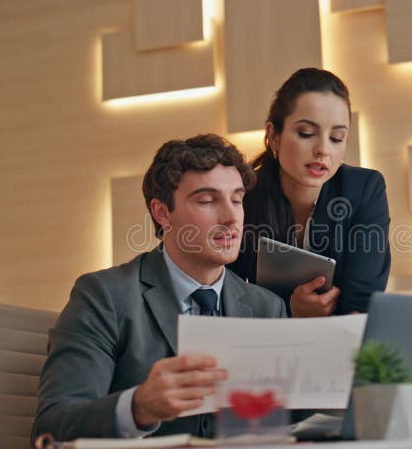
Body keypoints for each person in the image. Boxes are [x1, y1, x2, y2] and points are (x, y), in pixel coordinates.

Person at [32, 134, 286, 443]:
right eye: (207, 200)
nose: (231, 217)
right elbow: (50, 428)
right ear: (162, 212)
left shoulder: (267, 309)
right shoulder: (103, 297)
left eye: (236, 199)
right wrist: (136, 408)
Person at [229, 68, 391, 317]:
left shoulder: (365, 190)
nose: (323, 150)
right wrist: (290, 313)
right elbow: (230, 298)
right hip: (263, 345)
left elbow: (362, 305)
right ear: (273, 136)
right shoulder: (244, 197)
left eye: (337, 137)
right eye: (306, 133)